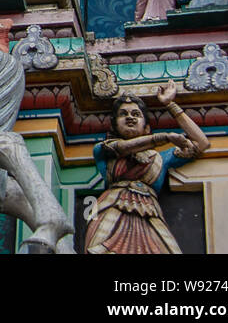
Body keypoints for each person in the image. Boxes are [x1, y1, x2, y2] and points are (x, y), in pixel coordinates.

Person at [85, 81, 209, 254]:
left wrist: (170, 104)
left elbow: (201, 143)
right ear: (113, 126)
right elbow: (123, 148)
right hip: (111, 210)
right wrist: (165, 137)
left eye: (136, 114)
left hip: (150, 214)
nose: (130, 117)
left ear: (147, 128)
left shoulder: (160, 158)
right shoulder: (104, 150)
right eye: (123, 114)